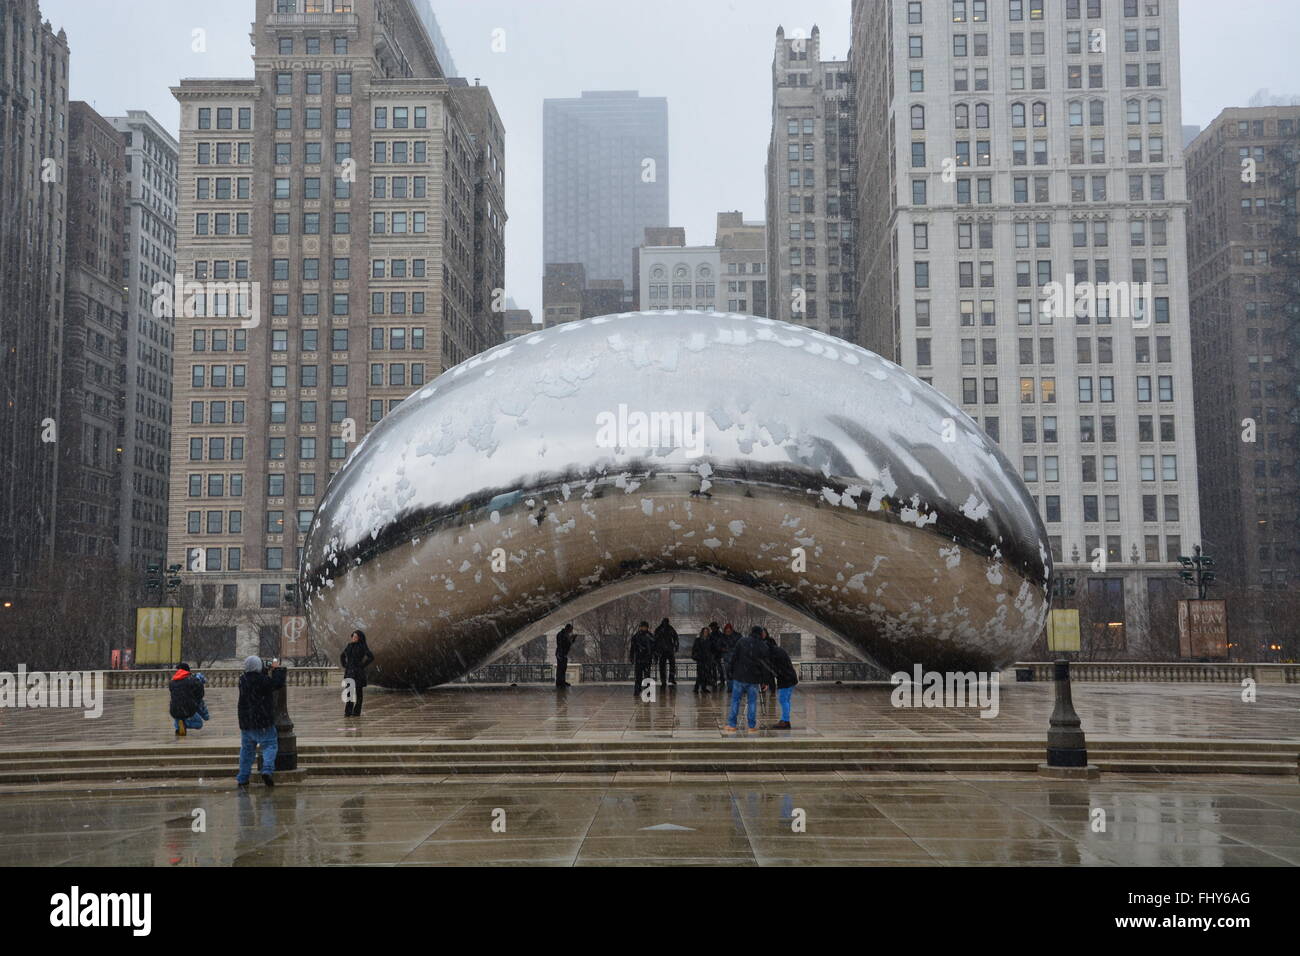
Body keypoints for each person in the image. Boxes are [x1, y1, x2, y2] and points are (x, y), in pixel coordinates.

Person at [237, 656, 287, 787]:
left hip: (246, 722)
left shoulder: (242, 680)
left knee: (247, 751)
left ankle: (243, 777)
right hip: (263, 721)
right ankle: (267, 770)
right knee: (270, 745)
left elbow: (255, 681)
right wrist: (277, 669)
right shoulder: (263, 680)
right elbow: (277, 683)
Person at [724, 626, 771, 734]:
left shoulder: (742, 641)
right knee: (752, 702)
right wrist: (766, 681)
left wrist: (729, 672)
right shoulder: (763, 646)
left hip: (739, 676)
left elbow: (733, 657)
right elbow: (765, 665)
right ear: (760, 634)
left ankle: (732, 725)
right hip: (754, 679)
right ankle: (751, 726)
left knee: (735, 700)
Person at [762, 630, 799, 729]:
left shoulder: (773, 654)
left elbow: (772, 669)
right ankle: (785, 720)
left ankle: (785, 722)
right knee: (786, 700)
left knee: (783, 699)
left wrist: (766, 681)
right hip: (789, 677)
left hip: (785, 679)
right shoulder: (778, 650)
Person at [340, 629, 375, 717]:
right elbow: (342, 655)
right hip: (350, 672)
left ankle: (356, 711)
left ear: (359, 638)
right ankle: (348, 711)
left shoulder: (363, 646)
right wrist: (345, 664)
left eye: (356, 637)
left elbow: (371, 657)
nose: (354, 638)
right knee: (349, 692)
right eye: (353, 636)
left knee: (359, 692)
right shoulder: (349, 646)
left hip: (358, 672)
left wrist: (362, 665)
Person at [168, 662, 207, 736]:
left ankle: (179, 728)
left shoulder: (172, 682)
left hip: (174, 709)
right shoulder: (192, 680)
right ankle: (185, 724)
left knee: (178, 717)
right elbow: (200, 694)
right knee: (199, 724)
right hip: (188, 708)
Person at [628, 621, 655, 697]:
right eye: (642, 627)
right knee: (638, 677)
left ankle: (647, 691)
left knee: (647, 676)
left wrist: (654, 656)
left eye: (644, 627)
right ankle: (637, 690)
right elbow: (632, 648)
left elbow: (654, 648)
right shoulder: (636, 636)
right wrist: (632, 657)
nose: (643, 628)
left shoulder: (650, 636)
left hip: (646, 659)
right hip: (639, 659)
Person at [653, 617, 679, 687]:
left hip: (668, 650)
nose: (665, 623)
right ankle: (664, 680)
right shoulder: (659, 629)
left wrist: (676, 646)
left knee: (671, 665)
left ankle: (670, 678)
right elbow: (655, 640)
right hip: (662, 651)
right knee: (663, 666)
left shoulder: (669, 628)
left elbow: (676, 637)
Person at [690, 626, 713, 693]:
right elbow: (694, 649)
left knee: (706, 674)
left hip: (707, 659)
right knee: (700, 674)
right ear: (702, 632)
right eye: (704, 632)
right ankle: (696, 688)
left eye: (706, 632)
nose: (705, 633)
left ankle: (703, 688)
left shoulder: (710, 640)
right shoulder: (698, 640)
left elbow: (712, 649)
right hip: (700, 659)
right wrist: (696, 656)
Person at [707, 622, 726, 692]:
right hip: (715, 653)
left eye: (712, 627)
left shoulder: (717, 634)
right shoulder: (716, 634)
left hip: (716, 653)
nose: (711, 628)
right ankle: (719, 680)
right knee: (716, 667)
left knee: (716, 667)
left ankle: (718, 680)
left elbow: (718, 644)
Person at [555, 623, 575, 688]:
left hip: (563, 654)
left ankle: (562, 682)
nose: (571, 631)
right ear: (567, 629)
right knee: (561, 669)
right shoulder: (561, 635)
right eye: (571, 630)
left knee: (563, 669)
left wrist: (572, 639)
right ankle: (560, 683)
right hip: (561, 654)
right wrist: (561, 655)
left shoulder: (564, 635)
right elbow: (562, 645)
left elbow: (568, 644)